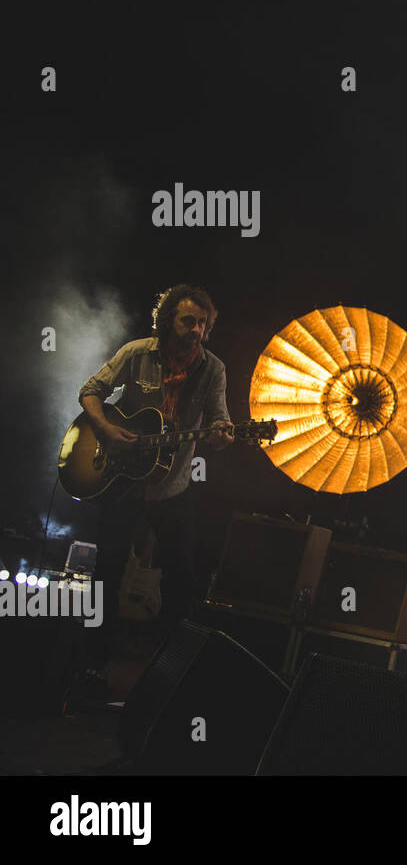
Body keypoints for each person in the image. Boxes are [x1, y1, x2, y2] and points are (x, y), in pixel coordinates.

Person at [75, 284, 233, 691]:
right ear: (167, 322)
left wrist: (221, 433)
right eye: (188, 321)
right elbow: (90, 391)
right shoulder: (136, 353)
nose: (197, 330)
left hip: (173, 487)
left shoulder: (212, 369)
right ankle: (90, 665)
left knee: (182, 581)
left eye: (203, 323)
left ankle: (169, 675)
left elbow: (219, 417)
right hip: (122, 481)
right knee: (106, 570)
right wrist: (107, 431)